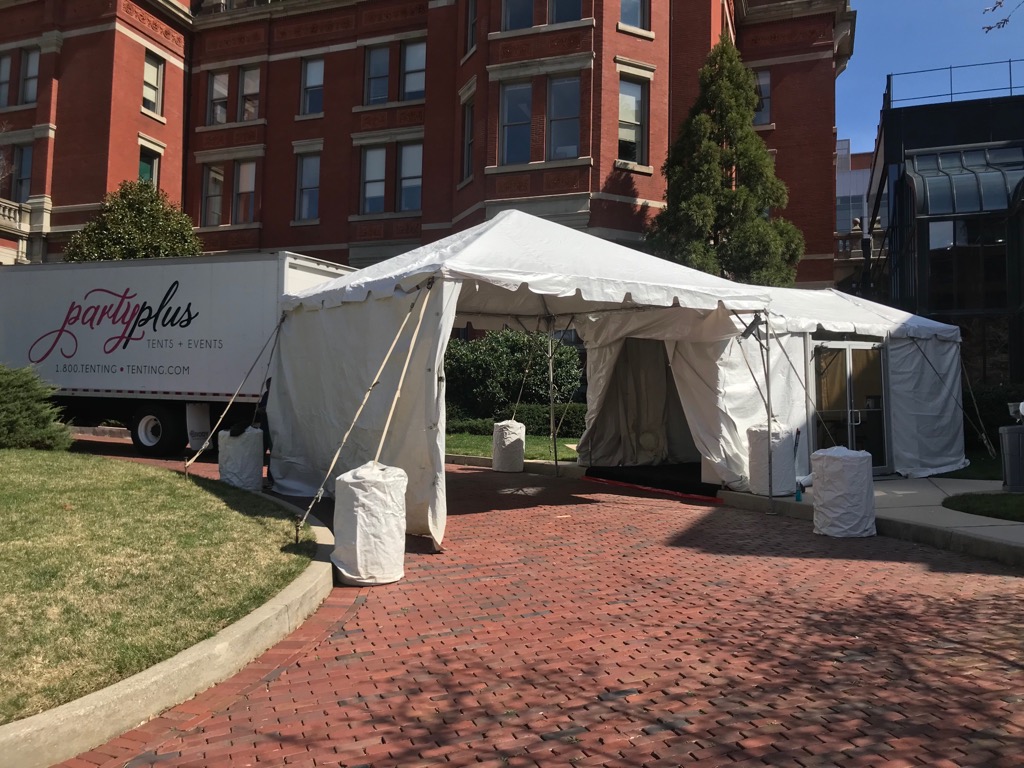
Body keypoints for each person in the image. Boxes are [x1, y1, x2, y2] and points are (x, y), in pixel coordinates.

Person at [256, 377, 274, 489]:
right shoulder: (266, 394)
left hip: (272, 428)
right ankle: (257, 477)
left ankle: (270, 479)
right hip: (264, 427)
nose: (268, 387)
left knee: (272, 455)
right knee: (259, 452)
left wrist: (264, 409)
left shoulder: (275, 397)